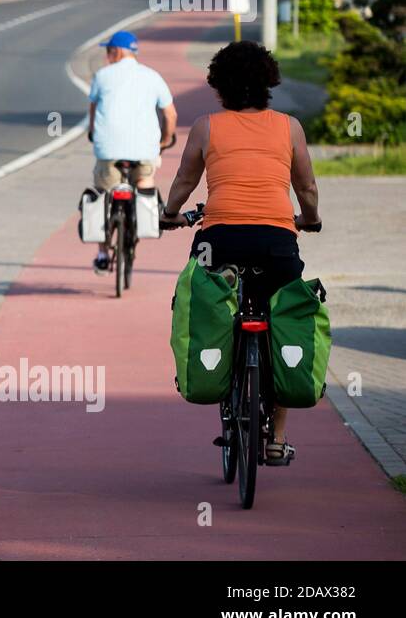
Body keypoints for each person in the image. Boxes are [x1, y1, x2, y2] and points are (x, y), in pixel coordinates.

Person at [160, 41, 321, 465]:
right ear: (269, 82)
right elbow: (306, 187)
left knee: (211, 301)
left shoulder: (206, 127)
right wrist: (310, 219)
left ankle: (220, 370)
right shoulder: (290, 127)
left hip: (221, 240)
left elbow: (183, 181)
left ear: (220, 86)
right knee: (284, 317)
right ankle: (276, 438)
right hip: (276, 240)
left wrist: (170, 213)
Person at [87, 30, 177, 271]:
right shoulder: (152, 77)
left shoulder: (102, 76)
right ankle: (144, 220)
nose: (107, 56)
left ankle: (102, 254)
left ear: (116, 52)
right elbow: (170, 114)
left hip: (109, 152)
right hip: (145, 150)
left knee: (100, 196)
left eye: (108, 51)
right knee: (145, 180)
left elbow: (93, 110)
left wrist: (94, 134)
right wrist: (165, 140)